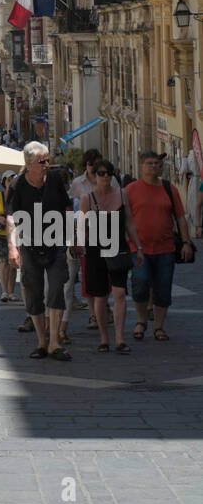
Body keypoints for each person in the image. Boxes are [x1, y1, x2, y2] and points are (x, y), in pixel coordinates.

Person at [6, 143, 72, 362]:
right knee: (33, 294)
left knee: (56, 290)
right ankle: (41, 342)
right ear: (29, 164)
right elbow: (11, 218)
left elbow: (67, 208)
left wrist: (75, 239)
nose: (47, 164)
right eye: (42, 161)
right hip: (29, 246)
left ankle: (54, 342)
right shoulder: (17, 185)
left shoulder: (55, 179)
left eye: (47, 159)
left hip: (56, 243)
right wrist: (12, 247)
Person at [125, 150, 194, 343]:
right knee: (140, 284)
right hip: (139, 248)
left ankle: (159, 327)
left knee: (163, 288)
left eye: (157, 163)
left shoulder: (169, 189)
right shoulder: (131, 190)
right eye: (150, 163)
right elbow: (124, 218)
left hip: (165, 247)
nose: (154, 166)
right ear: (141, 166)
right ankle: (141, 321)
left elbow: (180, 218)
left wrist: (187, 242)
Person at [75, 158, 141, 354]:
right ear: (94, 176)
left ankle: (119, 337)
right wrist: (79, 245)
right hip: (95, 250)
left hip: (118, 248)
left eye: (108, 173)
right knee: (100, 297)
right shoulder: (87, 199)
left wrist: (138, 247)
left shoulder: (122, 195)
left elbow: (129, 223)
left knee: (120, 293)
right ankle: (104, 337)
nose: (105, 177)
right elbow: (81, 226)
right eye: (101, 173)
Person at [0, 171, 19, 303]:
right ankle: (4, 291)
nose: (11, 182)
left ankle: (12, 292)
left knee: (13, 263)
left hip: (14, 233)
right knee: (3, 262)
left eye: (13, 180)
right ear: (4, 182)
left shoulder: (19, 196)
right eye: (9, 180)